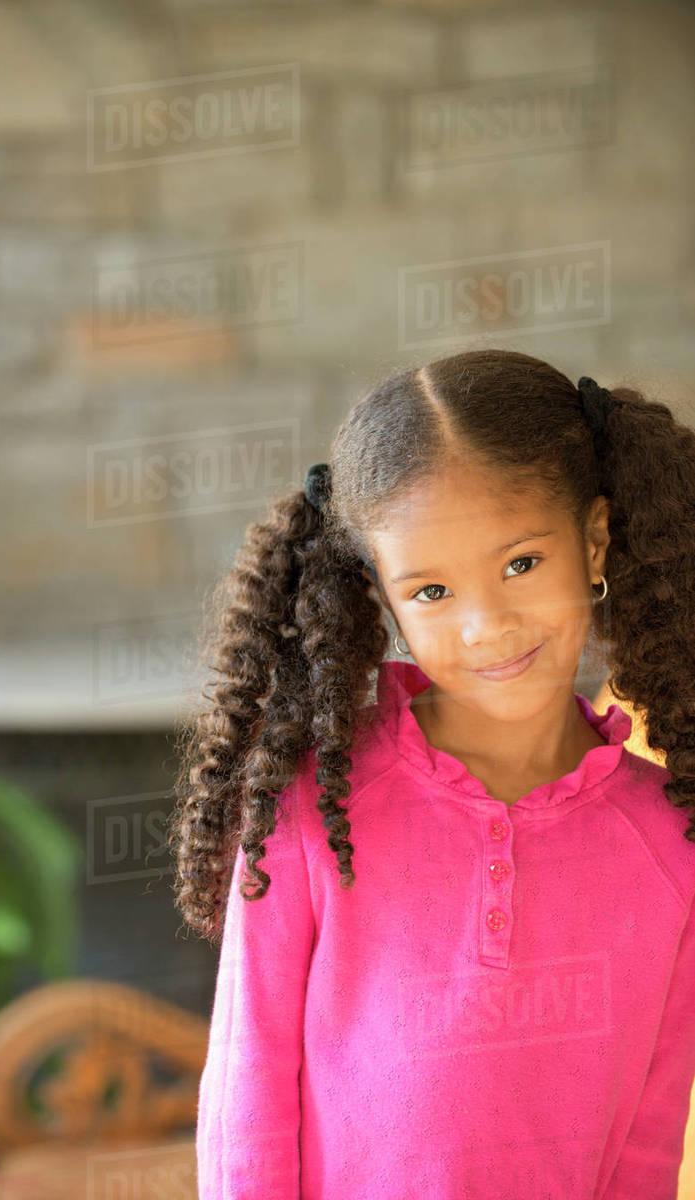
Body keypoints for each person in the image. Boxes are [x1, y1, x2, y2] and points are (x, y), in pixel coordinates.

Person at [167, 348, 695, 1199]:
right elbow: (247, 1096)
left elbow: (647, 1138)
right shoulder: (311, 805)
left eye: (521, 563)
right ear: (382, 597)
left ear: (593, 540)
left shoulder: (672, 841)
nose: (487, 625)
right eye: (432, 592)